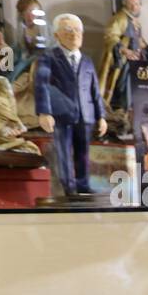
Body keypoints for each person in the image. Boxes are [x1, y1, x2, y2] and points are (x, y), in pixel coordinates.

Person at [34, 14, 107, 197]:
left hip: (86, 114)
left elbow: (95, 91)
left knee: (83, 152)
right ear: (57, 35)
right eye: (67, 30)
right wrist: (44, 111)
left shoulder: (88, 61)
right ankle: (68, 188)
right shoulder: (49, 57)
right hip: (62, 114)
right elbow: (41, 84)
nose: (74, 34)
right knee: (63, 153)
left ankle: (83, 185)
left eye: (77, 30)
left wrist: (101, 116)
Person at [98, 0, 148, 112]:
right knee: (125, 90)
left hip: (136, 64)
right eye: (131, 4)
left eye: (136, 4)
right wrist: (124, 50)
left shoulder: (136, 23)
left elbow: (141, 45)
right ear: (125, 4)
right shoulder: (120, 18)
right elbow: (110, 35)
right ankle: (123, 111)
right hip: (125, 64)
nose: (134, 6)